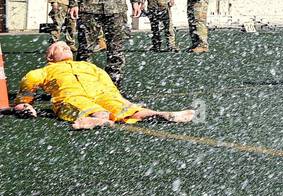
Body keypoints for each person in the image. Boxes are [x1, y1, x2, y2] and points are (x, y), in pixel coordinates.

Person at [12, 41, 195, 130]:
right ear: (49, 57)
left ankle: (163, 115)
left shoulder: (88, 66)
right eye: (59, 47)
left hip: (101, 94)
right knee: (101, 112)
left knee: (129, 109)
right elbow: (24, 97)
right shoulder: (41, 72)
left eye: (67, 46)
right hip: (71, 97)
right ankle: (97, 120)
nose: (65, 47)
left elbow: (108, 85)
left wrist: (117, 99)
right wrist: (24, 107)